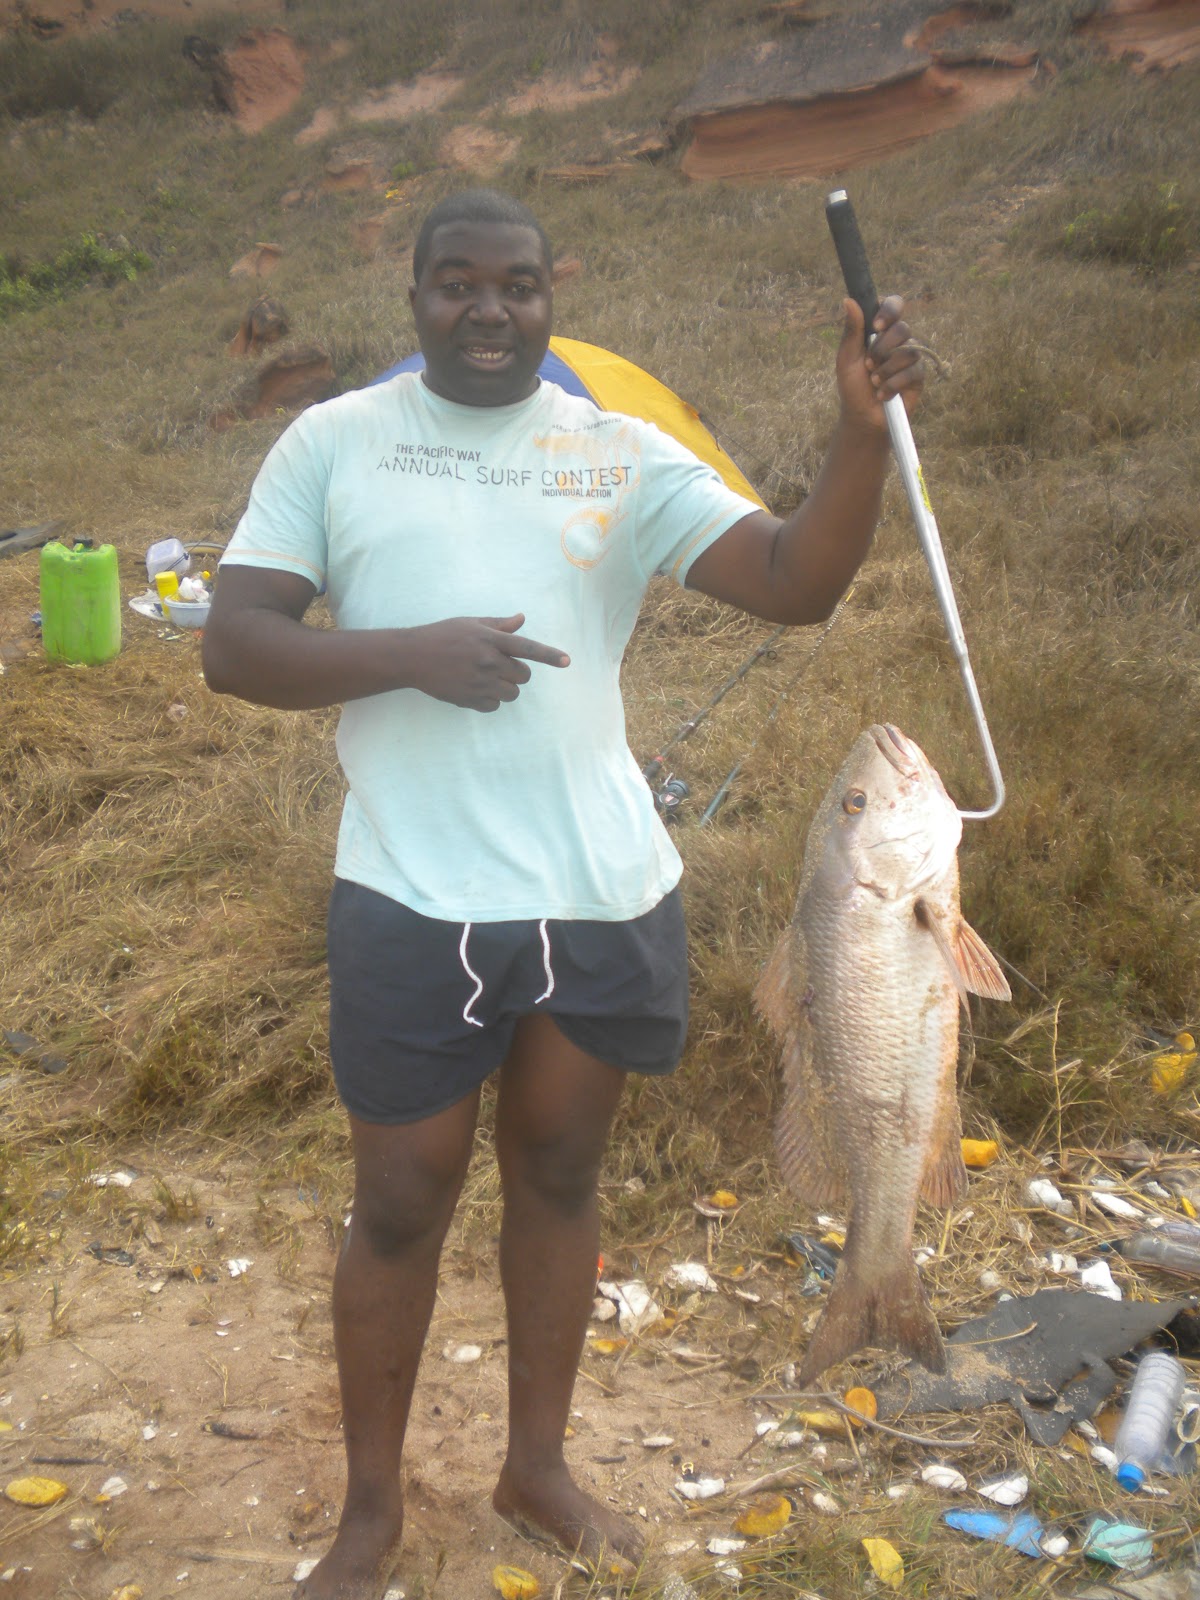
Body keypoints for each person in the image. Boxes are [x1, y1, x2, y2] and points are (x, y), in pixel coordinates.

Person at [202, 187, 924, 1600]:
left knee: (558, 1174)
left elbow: (795, 583)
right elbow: (235, 642)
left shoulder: (615, 452)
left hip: (596, 891)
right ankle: (369, 1516)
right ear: (413, 297)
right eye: (458, 285)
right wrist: (404, 653)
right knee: (401, 1202)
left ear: (554, 293)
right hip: (411, 889)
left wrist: (856, 432)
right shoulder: (336, 443)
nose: (489, 311)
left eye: (518, 287)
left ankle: (537, 1468)